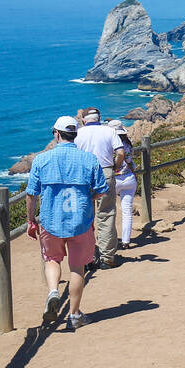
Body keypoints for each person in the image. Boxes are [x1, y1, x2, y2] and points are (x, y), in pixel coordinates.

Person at [26, 116, 107, 331]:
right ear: (75, 134)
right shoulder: (89, 160)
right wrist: (87, 201)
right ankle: (74, 315)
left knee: (52, 260)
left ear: (56, 134)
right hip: (81, 221)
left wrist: (30, 219)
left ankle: (53, 291)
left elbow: (31, 194)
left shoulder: (41, 160)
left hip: (51, 221)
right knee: (77, 268)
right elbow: (100, 190)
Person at [74, 108, 125, 270]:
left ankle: (87, 257)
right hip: (105, 171)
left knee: (85, 217)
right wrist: (115, 168)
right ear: (99, 118)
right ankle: (107, 258)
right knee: (106, 214)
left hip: (83, 175)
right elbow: (121, 153)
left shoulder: (78, 134)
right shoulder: (109, 131)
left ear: (83, 120)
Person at [108, 120, 138, 250]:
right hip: (129, 179)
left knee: (109, 211)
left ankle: (111, 240)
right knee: (127, 211)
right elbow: (130, 161)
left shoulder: (111, 145)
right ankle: (126, 241)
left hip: (115, 180)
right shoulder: (127, 143)